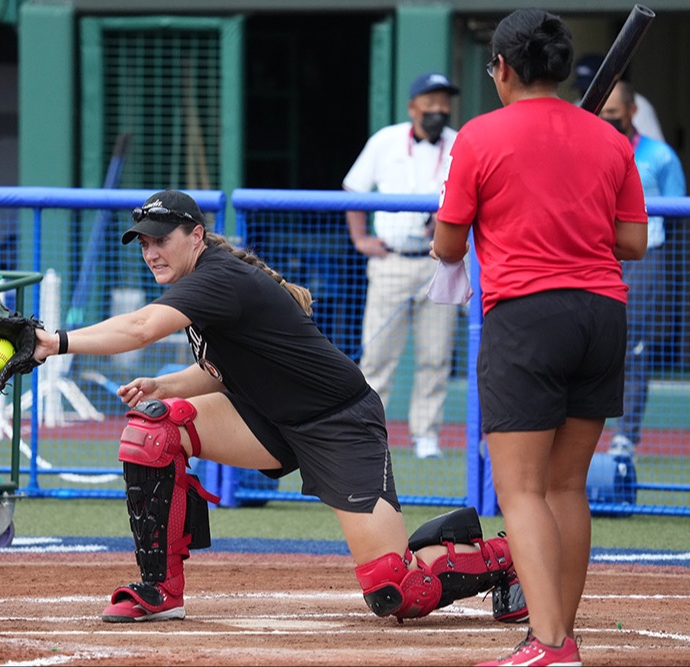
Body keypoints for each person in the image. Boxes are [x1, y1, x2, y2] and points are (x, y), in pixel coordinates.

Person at [33, 188, 520, 624]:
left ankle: (508, 556)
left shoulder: (217, 278)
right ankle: (159, 591)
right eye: (143, 243)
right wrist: (165, 385)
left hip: (338, 422)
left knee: (396, 589)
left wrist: (54, 342)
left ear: (197, 235)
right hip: (268, 418)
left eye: (161, 239)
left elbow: (139, 329)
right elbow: (225, 368)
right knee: (154, 429)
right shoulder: (196, 283)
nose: (151, 251)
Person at [432, 9, 647, 667]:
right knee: (564, 487)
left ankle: (551, 642)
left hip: (527, 315)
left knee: (521, 489)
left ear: (501, 67)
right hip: (600, 313)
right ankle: (558, 633)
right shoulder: (610, 138)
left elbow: (446, 245)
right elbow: (632, 241)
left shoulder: (479, 135)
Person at [342, 72, 462, 459]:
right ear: (413, 106)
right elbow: (354, 188)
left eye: (444, 101)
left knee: (436, 353)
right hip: (391, 257)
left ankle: (426, 435)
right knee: (378, 355)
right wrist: (360, 238)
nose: (438, 109)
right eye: (431, 101)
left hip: (438, 260)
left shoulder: (459, 142)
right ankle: (366, 432)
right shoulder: (386, 140)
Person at [600, 80, 687, 459]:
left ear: (633, 112)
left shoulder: (661, 155)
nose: (607, 120)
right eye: (602, 114)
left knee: (633, 348)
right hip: (595, 254)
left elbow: (678, 212)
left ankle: (626, 435)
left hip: (645, 256)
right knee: (589, 345)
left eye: (614, 114)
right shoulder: (592, 148)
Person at [573, 52, 665, 142]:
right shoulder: (578, 106)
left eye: (611, 111)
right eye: (583, 90)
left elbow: (651, 151)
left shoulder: (638, 104)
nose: (587, 94)